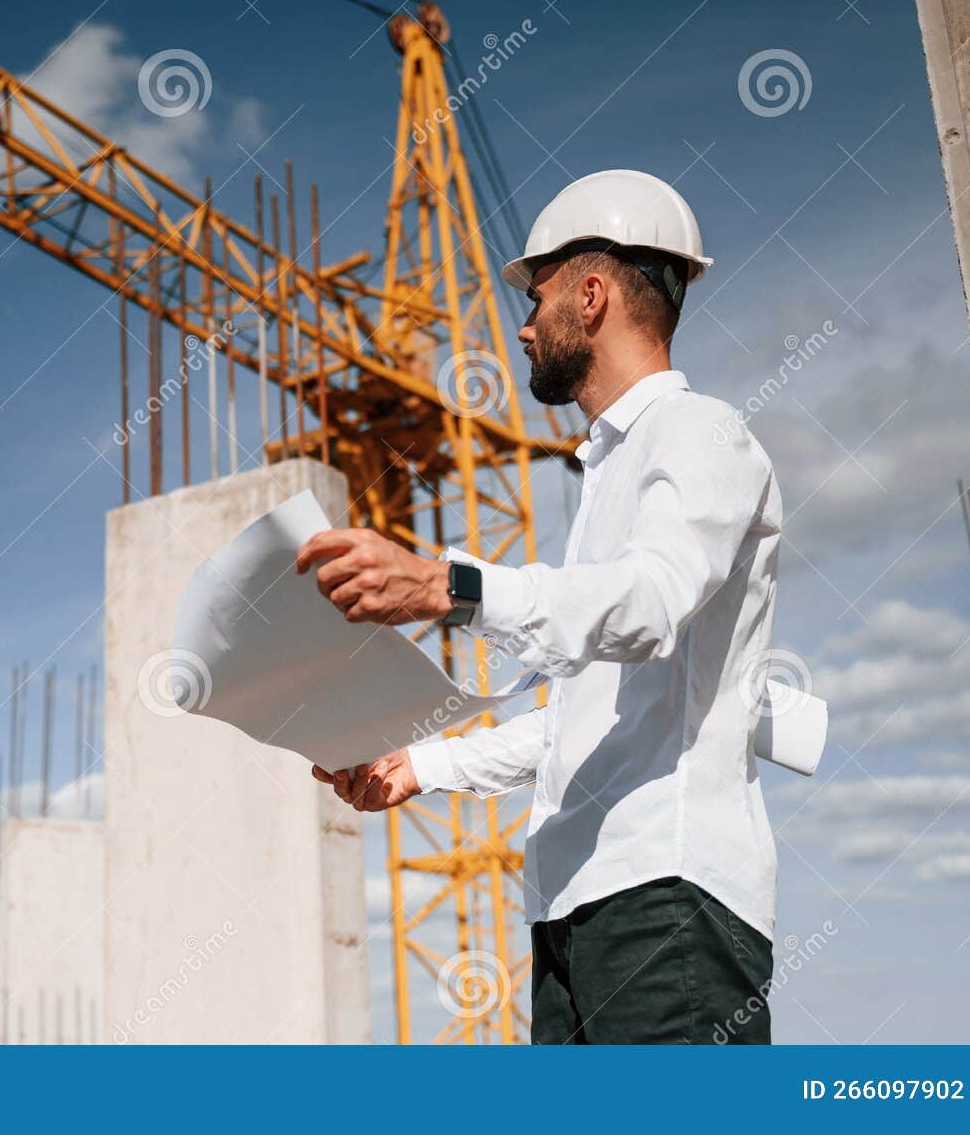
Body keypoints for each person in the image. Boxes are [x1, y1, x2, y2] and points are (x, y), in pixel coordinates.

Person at [295, 170, 781, 1044]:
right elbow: (581, 723)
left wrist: (452, 584)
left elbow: (652, 601)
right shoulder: (604, 479)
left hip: (665, 902)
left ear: (591, 297)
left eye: (539, 296)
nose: (523, 326)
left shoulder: (700, 433)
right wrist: (424, 766)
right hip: (572, 911)